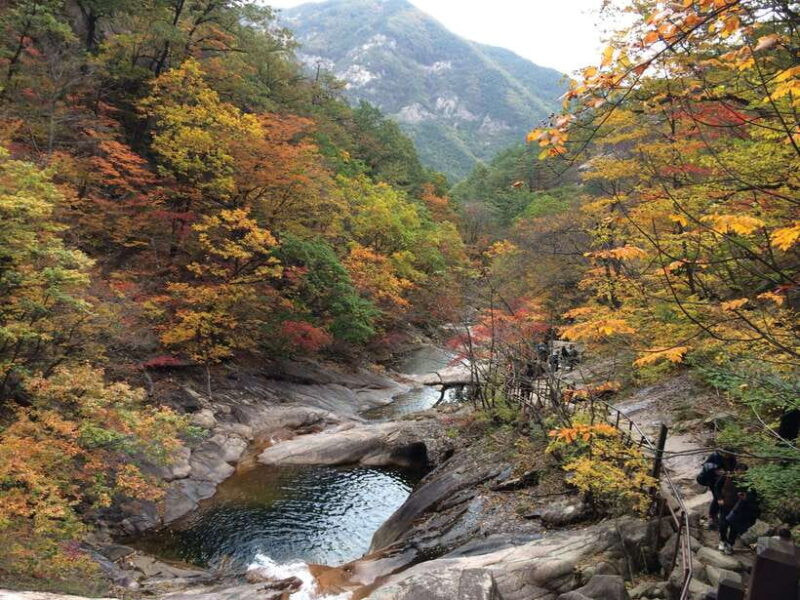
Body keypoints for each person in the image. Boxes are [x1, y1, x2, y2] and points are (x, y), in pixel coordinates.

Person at [716, 464, 759, 554]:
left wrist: (746, 497)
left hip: (739, 508)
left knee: (734, 527)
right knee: (723, 524)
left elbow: (753, 495)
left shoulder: (748, 481)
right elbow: (717, 487)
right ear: (735, 470)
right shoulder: (726, 476)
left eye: (743, 473)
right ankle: (722, 540)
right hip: (725, 505)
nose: (741, 474)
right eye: (740, 472)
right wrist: (719, 498)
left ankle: (730, 544)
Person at [697, 449, 737, 529]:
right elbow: (707, 467)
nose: (727, 455)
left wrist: (729, 473)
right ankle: (712, 517)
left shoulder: (732, 459)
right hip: (713, 480)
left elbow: (732, 469)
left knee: (722, 497)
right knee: (717, 497)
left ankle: (718, 516)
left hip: (723, 479)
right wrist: (716, 470)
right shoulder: (715, 456)